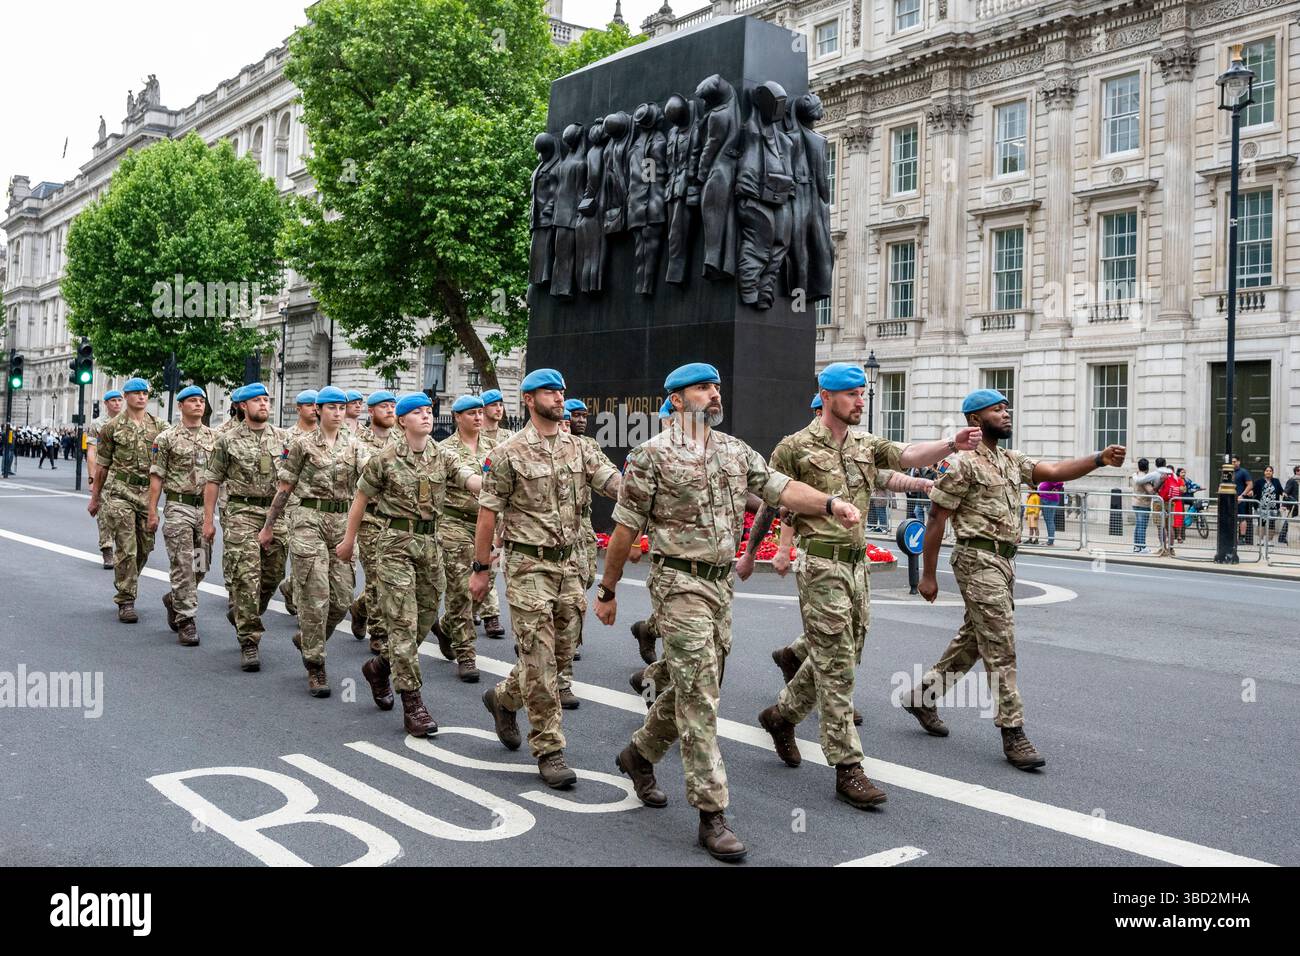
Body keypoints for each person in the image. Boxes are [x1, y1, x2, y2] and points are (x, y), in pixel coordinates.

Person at [593, 363, 866, 862]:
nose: (715, 394)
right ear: (676, 400)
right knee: (701, 696)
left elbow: (781, 489)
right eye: (703, 388)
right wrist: (607, 589)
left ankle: (638, 753)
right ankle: (712, 813)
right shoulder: (650, 456)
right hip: (679, 583)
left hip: (720, 588)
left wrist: (829, 504)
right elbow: (626, 528)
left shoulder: (735, 451)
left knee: (692, 683)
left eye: (717, 386)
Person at [736, 363, 980, 811]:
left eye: (863, 394)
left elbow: (905, 456)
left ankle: (782, 715)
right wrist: (777, 548)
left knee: (849, 652)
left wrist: (951, 442)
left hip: (856, 567)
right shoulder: (794, 447)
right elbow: (777, 501)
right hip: (821, 564)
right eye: (851, 394)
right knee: (837, 666)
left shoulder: (867, 444)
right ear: (826, 396)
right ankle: (847, 767)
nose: (860, 401)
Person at [898, 389, 1126, 769]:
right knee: (1000, 644)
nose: (1006, 414)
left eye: (1007, 408)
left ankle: (923, 697)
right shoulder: (961, 464)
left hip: (1004, 562)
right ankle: (1013, 731)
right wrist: (928, 575)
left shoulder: (1010, 460)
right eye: (997, 409)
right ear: (975, 420)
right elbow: (936, 518)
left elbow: (1053, 472)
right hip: (976, 558)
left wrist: (1098, 459)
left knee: (973, 641)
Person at [473, 369, 621, 788]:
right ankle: (550, 748)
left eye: (561, 390)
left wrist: (644, 487)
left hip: (571, 566)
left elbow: (612, 482)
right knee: (538, 660)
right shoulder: (508, 452)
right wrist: (481, 569)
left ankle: (502, 699)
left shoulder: (581, 448)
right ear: (529, 399)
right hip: (527, 567)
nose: (559, 397)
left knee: (559, 656)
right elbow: (488, 512)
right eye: (549, 392)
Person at [338, 392, 482, 735]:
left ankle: (380, 667)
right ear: (403, 421)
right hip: (395, 544)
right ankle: (413, 702)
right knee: (402, 622)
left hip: (431, 545)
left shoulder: (441, 455)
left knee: (426, 617)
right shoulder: (385, 458)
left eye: (429, 412)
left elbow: (470, 480)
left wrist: (495, 484)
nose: (426, 417)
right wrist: (348, 539)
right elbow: (361, 499)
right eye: (417, 412)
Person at [261, 386, 364, 697]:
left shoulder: (355, 444)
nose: (337, 412)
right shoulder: (302, 444)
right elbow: (284, 487)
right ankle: (315, 663)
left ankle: (308, 637)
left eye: (341, 407)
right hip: (308, 519)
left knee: (343, 598)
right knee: (315, 595)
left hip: (342, 522)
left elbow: (368, 484)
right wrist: (269, 527)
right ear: (318, 410)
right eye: (330, 407)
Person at [202, 383, 291, 672]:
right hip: (241, 511)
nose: (264, 404)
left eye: (266, 399)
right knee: (246, 576)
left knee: (273, 574)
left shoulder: (283, 438)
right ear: (242, 406)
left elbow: (292, 478)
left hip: (274, 512)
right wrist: (208, 520)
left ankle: (243, 611)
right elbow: (213, 480)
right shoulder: (226, 441)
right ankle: (249, 640)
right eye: (257, 400)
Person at [557, 397, 620, 709]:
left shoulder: (587, 449)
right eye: (568, 419)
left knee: (576, 597)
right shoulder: (523, 448)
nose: (572, 424)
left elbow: (608, 477)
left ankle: (563, 676)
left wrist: (638, 490)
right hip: (536, 541)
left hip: (578, 530)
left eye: (576, 419)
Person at [87, 378, 166, 623]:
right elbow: (102, 465)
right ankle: (126, 599)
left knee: (144, 548)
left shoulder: (160, 426)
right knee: (127, 548)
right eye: (136, 393)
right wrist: (95, 497)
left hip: (147, 494)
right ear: (127, 396)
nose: (142, 397)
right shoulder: (111, 427)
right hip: (120, 491)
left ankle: (126, 578)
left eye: (145, 393)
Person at [146, 386, 215, 646]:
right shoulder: (166, 439)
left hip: (204, 510)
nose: (198, 405)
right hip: (178, 508)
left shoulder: (214, 438)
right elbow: (156, 476)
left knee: (202, 565)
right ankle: (186, 620)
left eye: (201, 401)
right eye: (192, 401)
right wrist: (153, 512)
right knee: (184, 565)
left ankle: (174, 598)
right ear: (180, 406)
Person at [437, 394, 496, 682]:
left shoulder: (495, 448)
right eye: (471, 413)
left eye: (480, 413)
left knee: (484, 587)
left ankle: (447, 625)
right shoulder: (444, 450)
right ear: (457, 417)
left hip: (485, 528)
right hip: (454, 525)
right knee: (462, 588)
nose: (477, 417)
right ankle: (466, 653)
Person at [350, 391, 398, 654]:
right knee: (377, 575)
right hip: (369, 517)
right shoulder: (357, 440)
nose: (390, 410)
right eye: (384, 407)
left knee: (390, 578)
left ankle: (360, 607)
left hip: (395, 520)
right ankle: (378, 632)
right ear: (371, 412)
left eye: (393, 406)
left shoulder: (401, 440)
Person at [278, 389, 321, 615]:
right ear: (298, 409)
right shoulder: (288, 437)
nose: (314, 408)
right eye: (308, 404)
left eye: (316, 404)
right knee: (302, 551)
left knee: (316, 556)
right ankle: (303, 603)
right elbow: (283, 473)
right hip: (296, 503)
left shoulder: (327, 436)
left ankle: (291, 586)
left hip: (321, 504)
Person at [87, 389, 126, 569]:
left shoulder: (129, 421)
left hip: (125, 475)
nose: (117, 403)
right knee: (103, 513)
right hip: (105, 473)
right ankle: (107, 549)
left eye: (119, 400)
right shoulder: (97, 424)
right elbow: (91, 452)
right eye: (114, 401)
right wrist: (92, 478)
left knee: (125, 513)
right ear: (106, 403)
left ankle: (124, 548)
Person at [1130, 457, 1169, 555]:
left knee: (1138, 525)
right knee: (1142, 526)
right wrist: (1160, 482)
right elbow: (1151, 491)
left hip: (1135, 502)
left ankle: (1136, 547)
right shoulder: (1145, 478)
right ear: (1147, 467)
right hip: (1143, 503)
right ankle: (1142, 547)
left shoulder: (1137, 475)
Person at [1253, 466, 1285, 545]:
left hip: (1273, 507)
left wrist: (1284, 494)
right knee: (1261, 523)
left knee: (1271, 523)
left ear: (1272, 472)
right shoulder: (1259, 481)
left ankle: (1270, 541)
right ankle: (1261, 540)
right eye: (1267, 471)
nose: (1268, 472)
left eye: (1270, 471)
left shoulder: (1276, 481)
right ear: (1264, 472)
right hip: (1262, 506)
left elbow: (1281, 491)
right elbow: (1254, 492)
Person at [1232, 456, 1254, 544]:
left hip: (1240, 499)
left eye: (1234, 461)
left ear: (1239, 462)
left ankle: (1242, 538)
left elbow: (1250, 484)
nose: (1233, 463)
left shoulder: (1243, 472)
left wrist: (1242, 495)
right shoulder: (1228, 472)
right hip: (1230, 499)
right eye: (1232, 462)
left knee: (1242, 518)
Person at [1036, 479, 1062, 546]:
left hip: (1049, 500)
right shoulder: (1047, 478)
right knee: (1048, 520)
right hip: (1047, 500)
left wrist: (1056, 488)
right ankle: (1050, 540)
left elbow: (1060, 482)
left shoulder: (1051, 477)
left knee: (1049, 520)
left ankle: (1050, 541)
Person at [1281, 466, 1299, 546]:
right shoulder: (1292, 481)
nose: (1299, 472)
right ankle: (1282, 537)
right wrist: (1284, 505)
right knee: (1289, 521)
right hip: (1293, 505)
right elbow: (1285, 493)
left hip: (1298, 505)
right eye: (1298, 470)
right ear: (1295, 471)